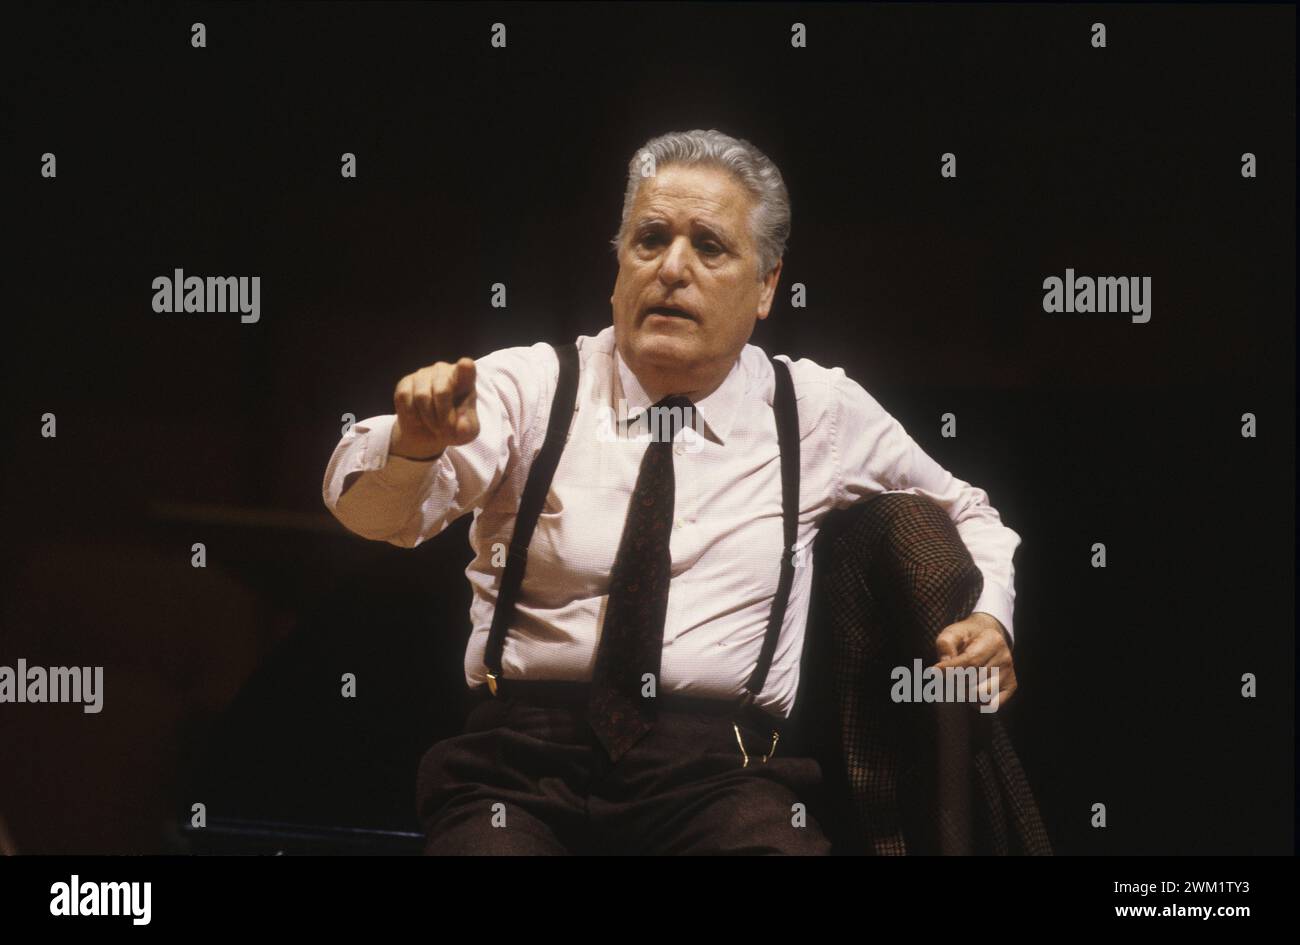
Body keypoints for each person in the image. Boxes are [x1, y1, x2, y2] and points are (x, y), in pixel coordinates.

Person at [321, 128, 1021, 855]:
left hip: (721, 776)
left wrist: (991, 618)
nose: (672, 269)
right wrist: (415, 443)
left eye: (709, 247)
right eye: (649, 240)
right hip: (520, 767)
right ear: (617, 268)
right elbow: (372, 514)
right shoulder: (533, 386)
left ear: (768, 285)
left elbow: (972, 513)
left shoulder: (814, 411)